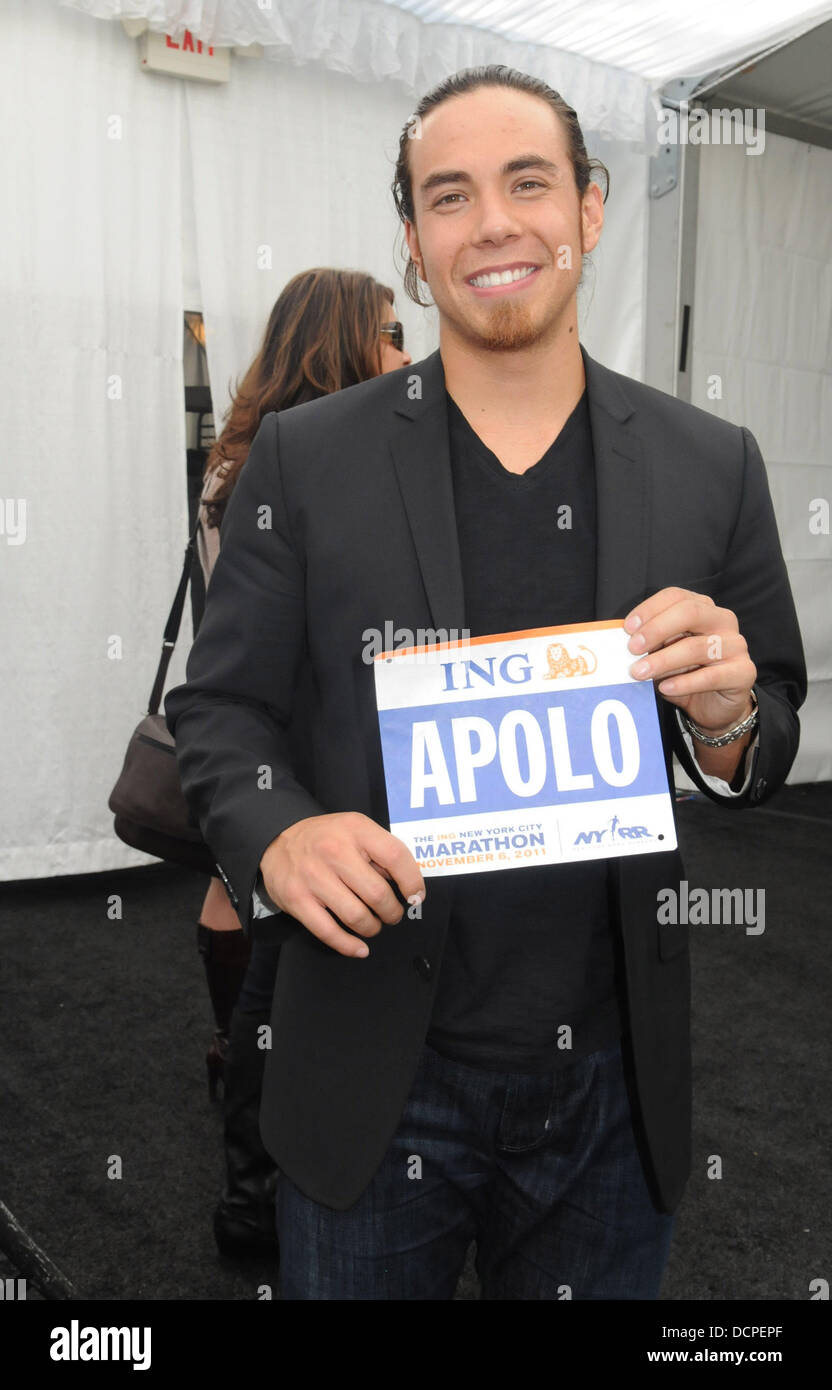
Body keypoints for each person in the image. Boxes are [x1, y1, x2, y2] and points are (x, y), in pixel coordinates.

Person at [167, 66, 806, 1299]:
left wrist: (727, 722)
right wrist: (278, 833)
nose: (494, 223)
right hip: (370, 1071)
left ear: (592, 208)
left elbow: (767, 719)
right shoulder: (308, 458)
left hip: (614, 1094)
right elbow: (220, 708)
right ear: (412, 240)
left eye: (528, 182)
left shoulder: (709, 464)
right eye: (448, 196)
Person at [192, 267, 411, 1254]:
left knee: (258, 973)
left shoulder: (239, 458)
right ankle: (256, 1202)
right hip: (297, 773)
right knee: (285, 985)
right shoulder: (311, 466)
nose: (407, 353)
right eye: (393, 333)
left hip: (265, 767)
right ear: (345, 343)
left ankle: (250, 1177)